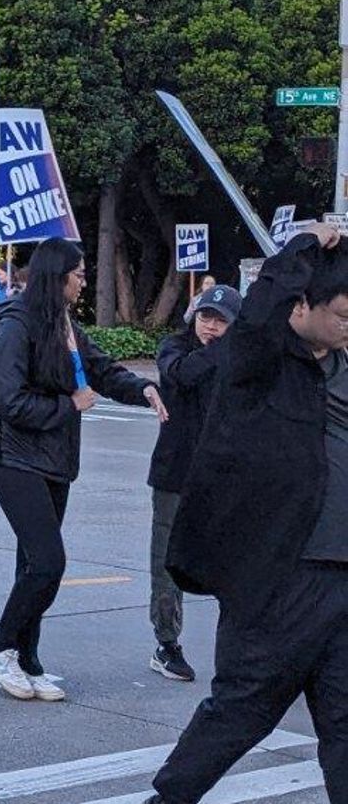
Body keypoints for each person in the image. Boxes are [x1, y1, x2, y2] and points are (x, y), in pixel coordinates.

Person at [131, 223, 348, 804]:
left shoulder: (343, 365)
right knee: (245, 707)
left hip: (342, 573)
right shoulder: (256, 360)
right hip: (278, 573)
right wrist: (305, 245)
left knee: (344, 722)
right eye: (339, 313)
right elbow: (257, 314)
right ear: (300, 307)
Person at [0, 238, 168, 702]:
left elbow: (101, 371)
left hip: (54, 459)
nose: (83, 281)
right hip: (13, 457)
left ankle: (29, 660)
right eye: (79, 273)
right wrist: (69, 406)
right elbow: (10, 401)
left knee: (32, 564)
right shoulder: (14, 327)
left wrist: (142, 389)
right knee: (48, 562)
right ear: (56, 275)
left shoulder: (62, 325)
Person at [144, 284, 240, 683]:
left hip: (224, 475)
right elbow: (181, 374)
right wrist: (229, 345)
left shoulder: (242, 360)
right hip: (175, 472)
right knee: (167, 561)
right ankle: (166, 642)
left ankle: (239, 648)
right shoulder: (174, 347)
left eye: (221, 321)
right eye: (206, 317)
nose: (211, 327)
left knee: (232, 563)